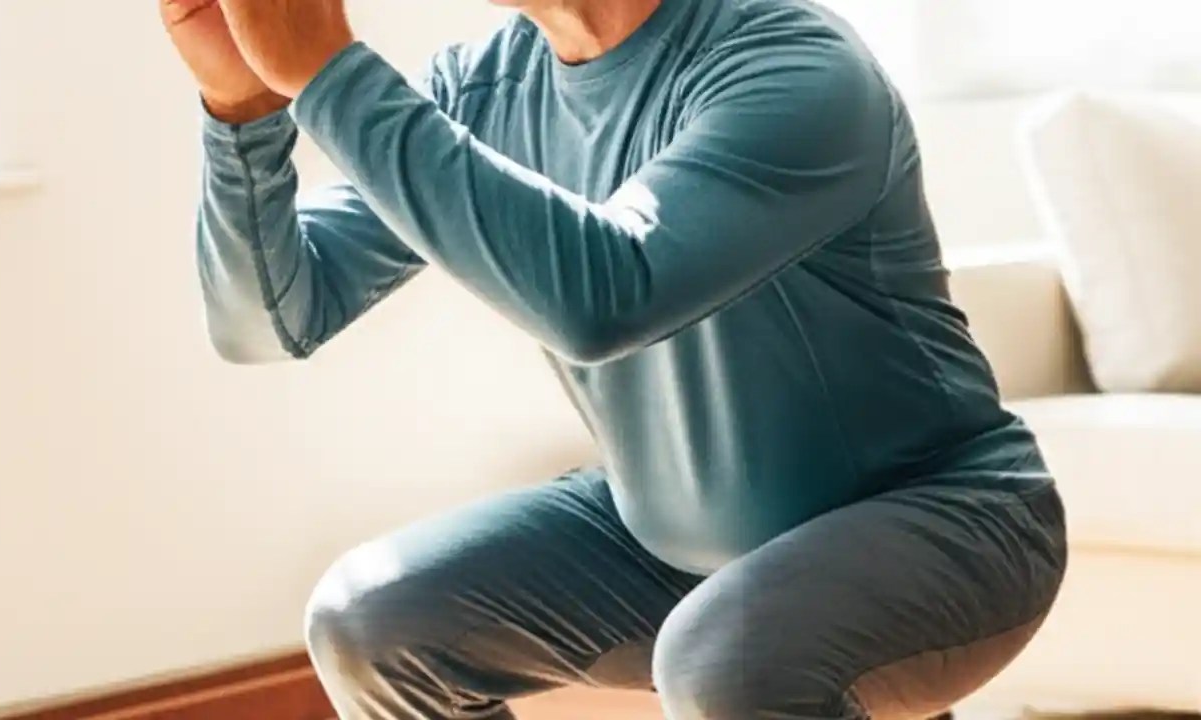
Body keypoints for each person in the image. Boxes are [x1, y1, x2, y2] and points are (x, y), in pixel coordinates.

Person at [159, 0, 1068, 717]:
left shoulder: (796, 68)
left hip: (949, 523)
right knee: (370, 621)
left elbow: (606, 293)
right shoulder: (487, 88)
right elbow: (269, 321)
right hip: (671, 537)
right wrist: (243, 113)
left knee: (729, 657)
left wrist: (329, 75)